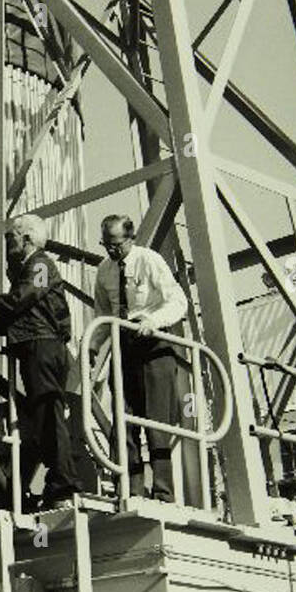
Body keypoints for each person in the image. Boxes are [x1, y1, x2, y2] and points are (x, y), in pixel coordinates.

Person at [0, 213, 79, 510]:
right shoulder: (32, 269)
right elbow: (17, 315)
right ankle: (52, 484)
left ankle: (64, 484)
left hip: (42, 349)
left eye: (11, 237)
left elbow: (22, 299)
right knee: (41, 418)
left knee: (48, 414)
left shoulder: (41, 265)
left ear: (27, 238)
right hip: (36, 345)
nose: (7, 243)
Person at [92, 213, 188, 502]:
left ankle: (163, 492)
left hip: (155, 345)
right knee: (126, 419)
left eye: (116, 245)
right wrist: (94, 345)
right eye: (106, 245)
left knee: (157, 422)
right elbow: (103, 313)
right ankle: (131, 489)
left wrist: (154, 321)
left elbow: (178, 301)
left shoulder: (149, 260)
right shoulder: (104, 271)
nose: (111, 251)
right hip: (125, 347)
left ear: (131, 239)